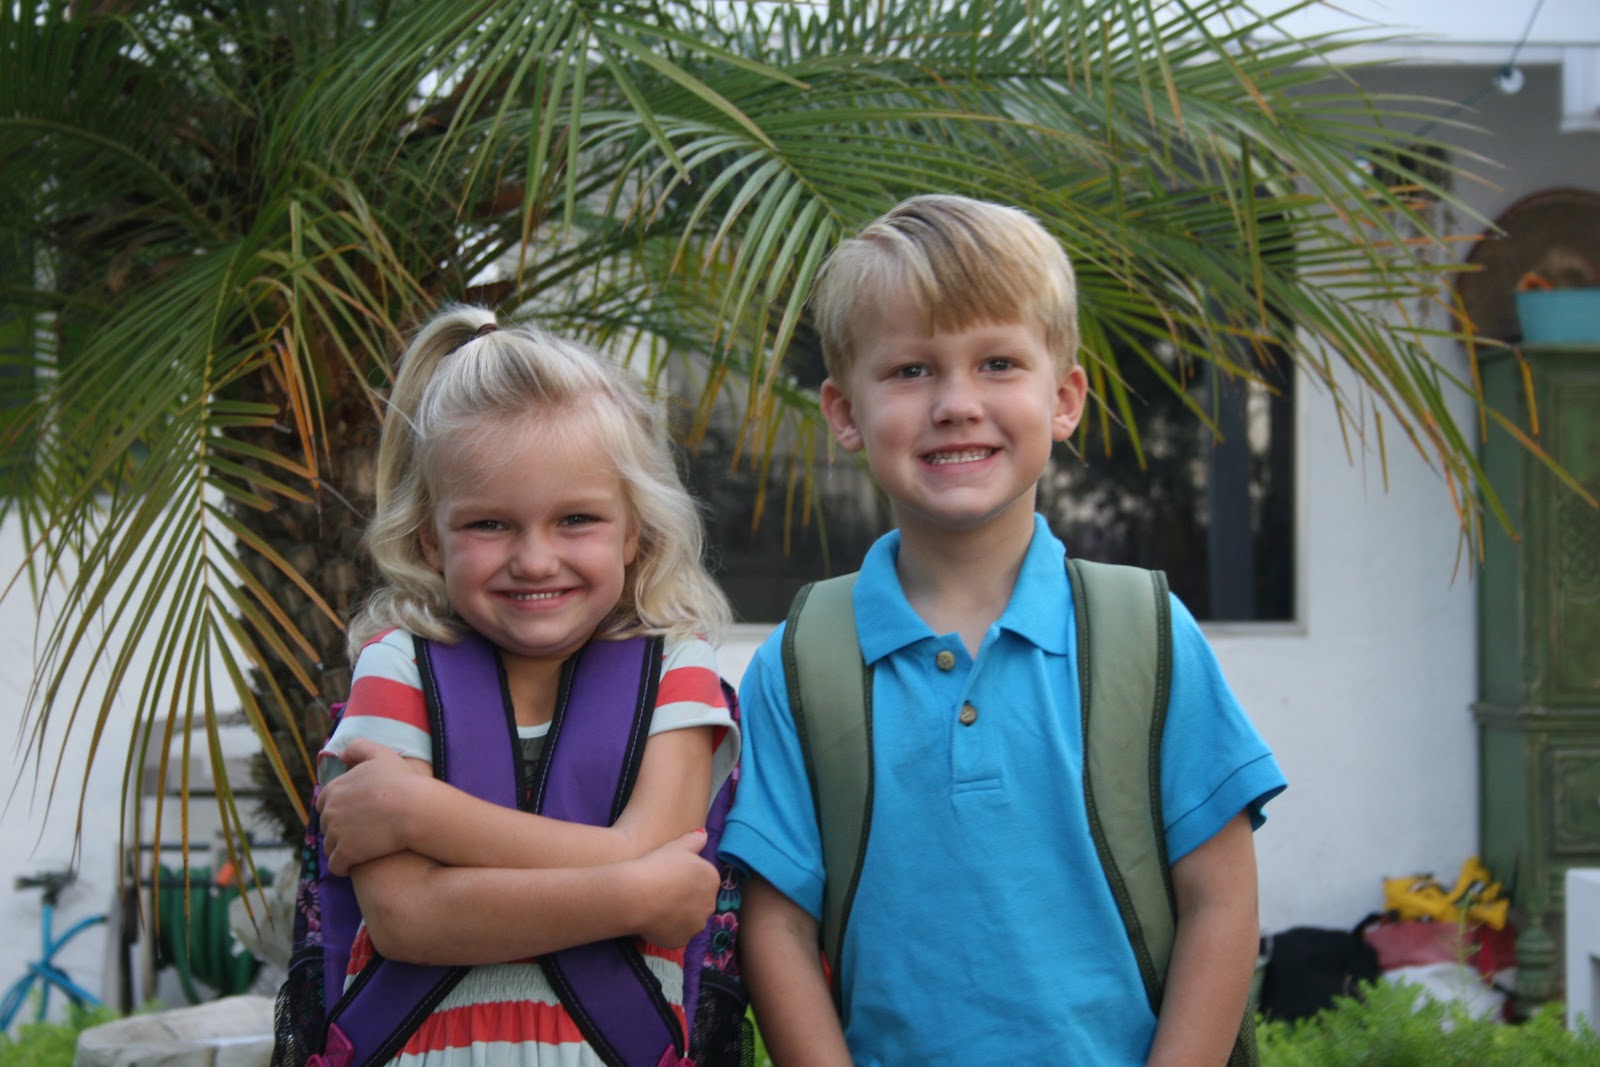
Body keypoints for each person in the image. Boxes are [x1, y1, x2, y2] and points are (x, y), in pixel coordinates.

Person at [718, 195, 1287, 1066]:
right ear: (842, 412)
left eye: (996, 363)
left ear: (1063, 400)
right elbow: (776, 927)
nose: (956, 403)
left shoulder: (1146, 634)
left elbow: (1221, 903)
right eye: (910, 370)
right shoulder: (802, 661)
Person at [312, 305, 740, 1065]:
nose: (536, 560)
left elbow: (656, 854)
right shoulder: (397, 666)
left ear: (634, 529)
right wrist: (636, 891)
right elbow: (409, 918)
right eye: (490, 525)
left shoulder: (678, 668)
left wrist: (423, 812)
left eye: (576, 518)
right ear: (429, 537)